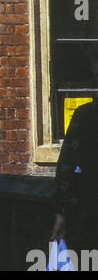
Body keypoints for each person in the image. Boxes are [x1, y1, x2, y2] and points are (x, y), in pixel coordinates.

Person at [52, 93, 98, 258]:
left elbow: (66, 166)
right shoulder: (84, 115)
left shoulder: (84, 115)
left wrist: (60, 211)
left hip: (88, 207)